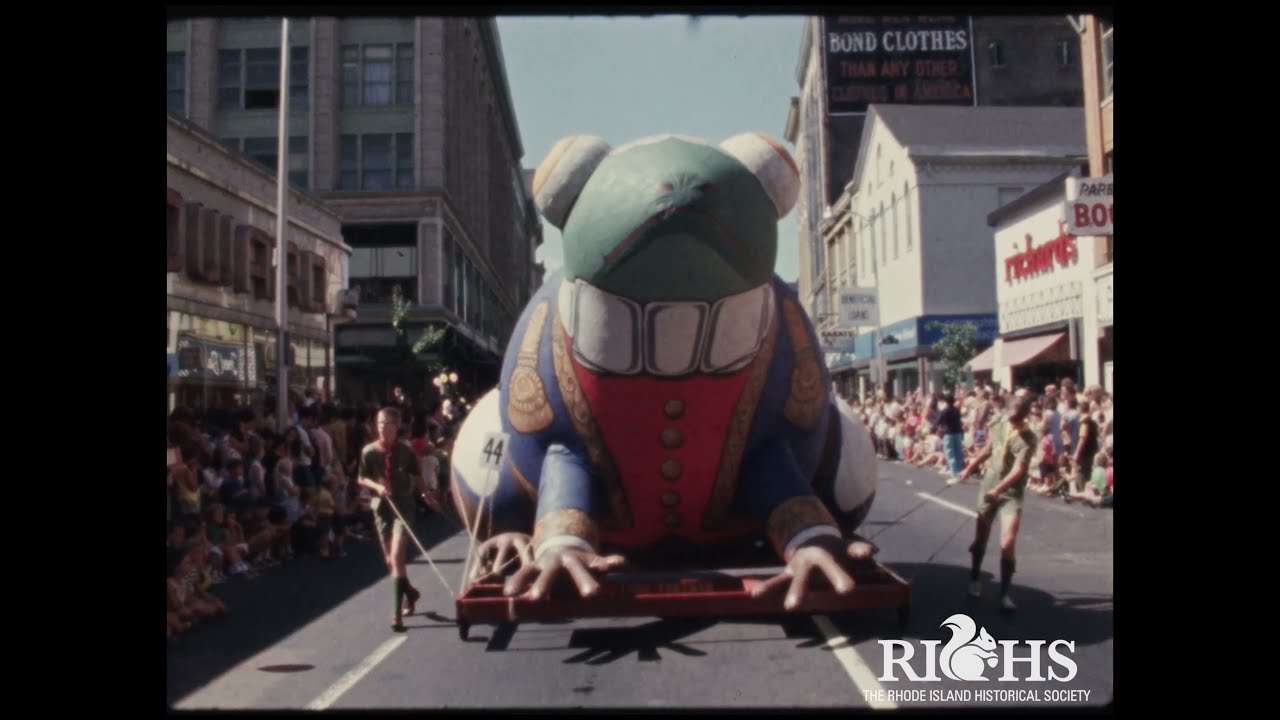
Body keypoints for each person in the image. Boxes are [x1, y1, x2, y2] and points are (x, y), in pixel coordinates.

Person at [357, 407, 434, 632]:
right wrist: (376, 487)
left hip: (404, 508)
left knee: (397, 555)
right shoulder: (369, 452)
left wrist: (427, 496)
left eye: (387, 423)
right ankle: (410, 592)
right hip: (382, 509)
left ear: (396, 427)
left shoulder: (406, 452)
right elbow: (361, 478)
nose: (382, 427)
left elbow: (417, 476)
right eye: (379, 423)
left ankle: (397, 614)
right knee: (391, 563)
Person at [964, 395, 1036, 613]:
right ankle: (975, 576)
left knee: (1007, 541)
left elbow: (1019, 470)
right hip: (989, 485)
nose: (1012, 420)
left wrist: (999, 490)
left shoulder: (1028, 438)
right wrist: (969, 468)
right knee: (981, 538)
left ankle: (1005, 593)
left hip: (1010, 492)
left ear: (1024, 415)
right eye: (1010, 415)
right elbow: (989, 448)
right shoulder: (998, 424)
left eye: (1017, 417)